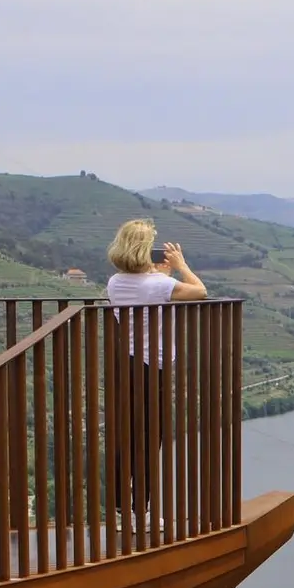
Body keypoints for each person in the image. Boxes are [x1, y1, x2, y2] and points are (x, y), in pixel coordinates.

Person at [104, 219, 208, 535]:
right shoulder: (157, 285)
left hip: (127, 365)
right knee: (151, 439)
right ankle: (141, 513)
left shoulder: (115, 282)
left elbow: (146, 289)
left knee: (128, 435)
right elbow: (200, 292)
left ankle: (122, 508)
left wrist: (160, 275)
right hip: (152, 368)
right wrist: (181, 265)